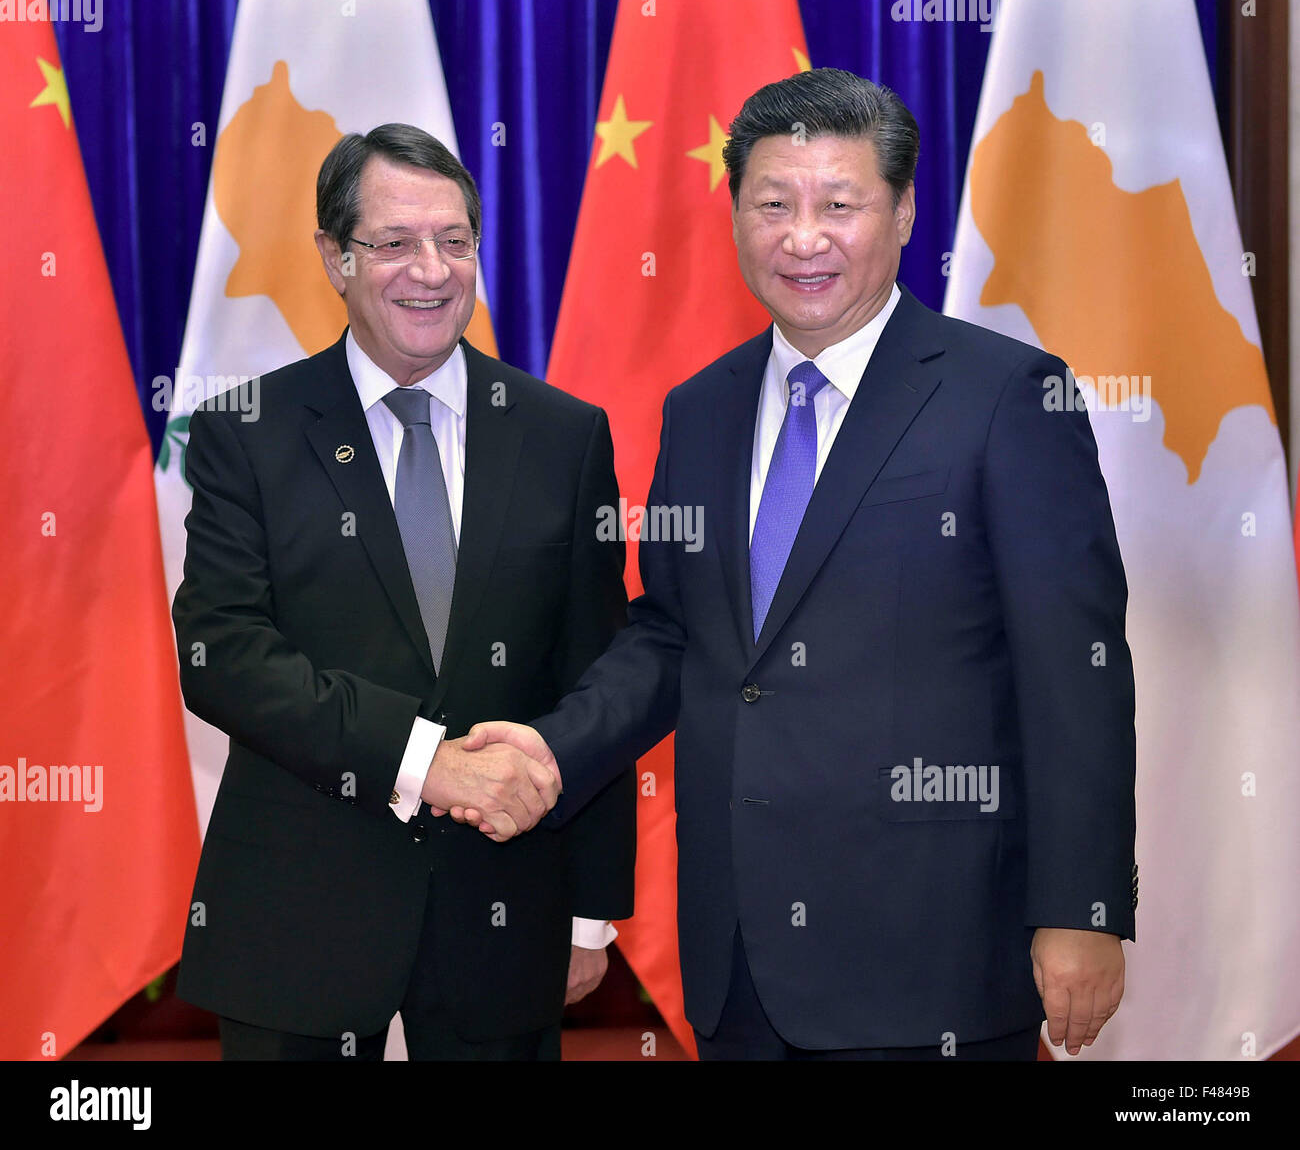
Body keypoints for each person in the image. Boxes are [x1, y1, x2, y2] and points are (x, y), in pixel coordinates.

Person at [462, 70, 1138, 1061]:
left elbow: (1074, 668)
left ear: (904, 211)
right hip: (739, 959)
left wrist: (1082, 905)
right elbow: (674, 633)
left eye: (839, 204)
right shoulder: (702, 408)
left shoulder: (1006, 397)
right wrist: (553, 749)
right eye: (772, 204)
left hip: (934, 954)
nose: (802, 236)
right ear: (734, 214)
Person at [172, 123, 635, 1061]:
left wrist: (592, 911)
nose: (431, 269)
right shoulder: (245, 434)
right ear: (334, 259)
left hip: (504, 921)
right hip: (296, 921)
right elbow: (225, 660)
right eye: (392, 243)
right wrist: (430, 764)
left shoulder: (563, 436)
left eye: (455, 240)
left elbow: (597, 675)